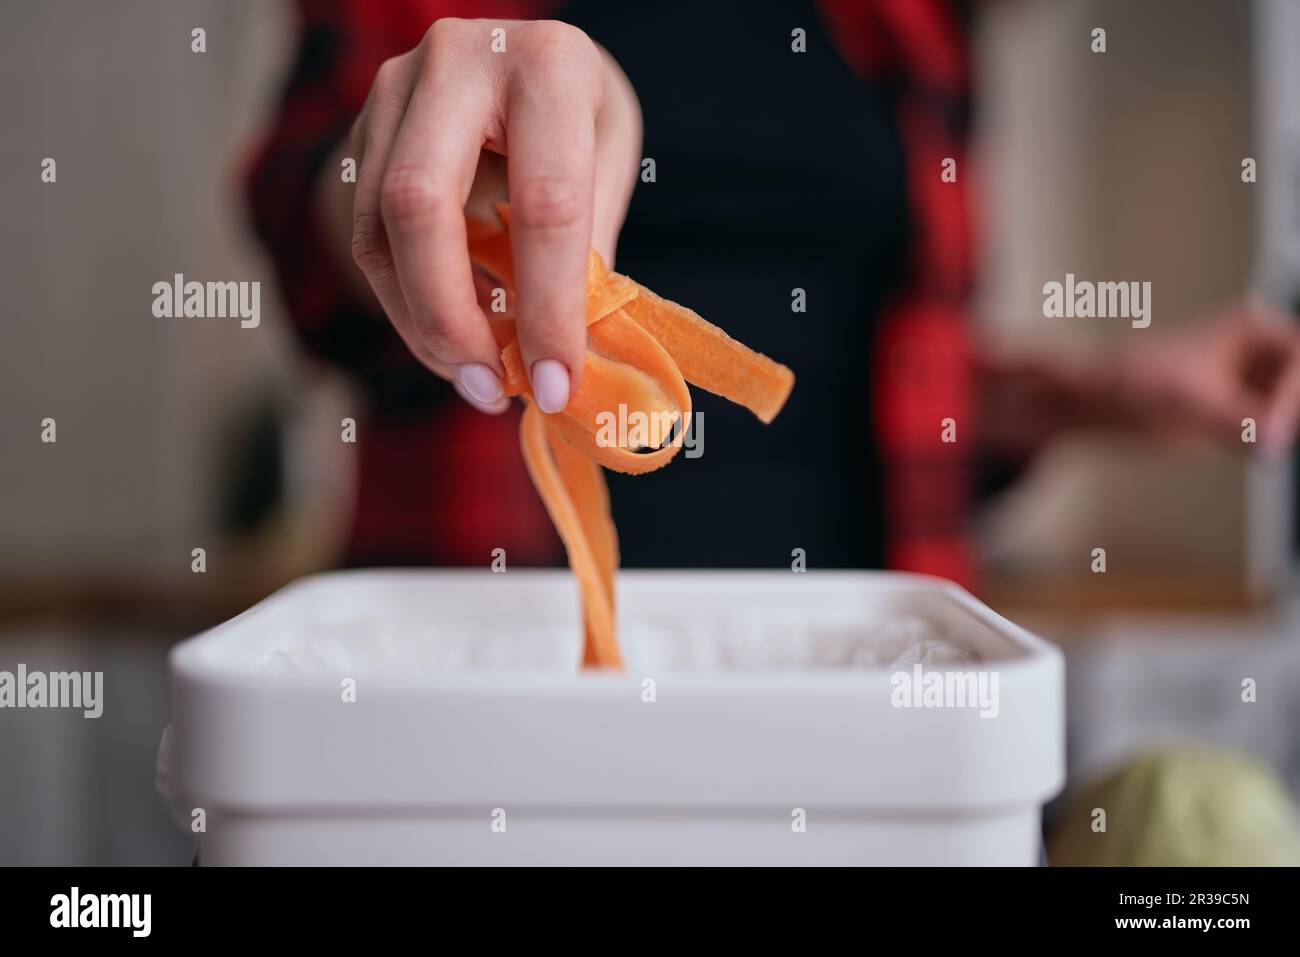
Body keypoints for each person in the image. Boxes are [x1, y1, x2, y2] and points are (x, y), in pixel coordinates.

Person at [246, 0, 1300, 586]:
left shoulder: (916, 28)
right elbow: (307, 218)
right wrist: (411, 177)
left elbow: (885, 386)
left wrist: (1095, 395)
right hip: (481, 687)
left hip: (848, 679)